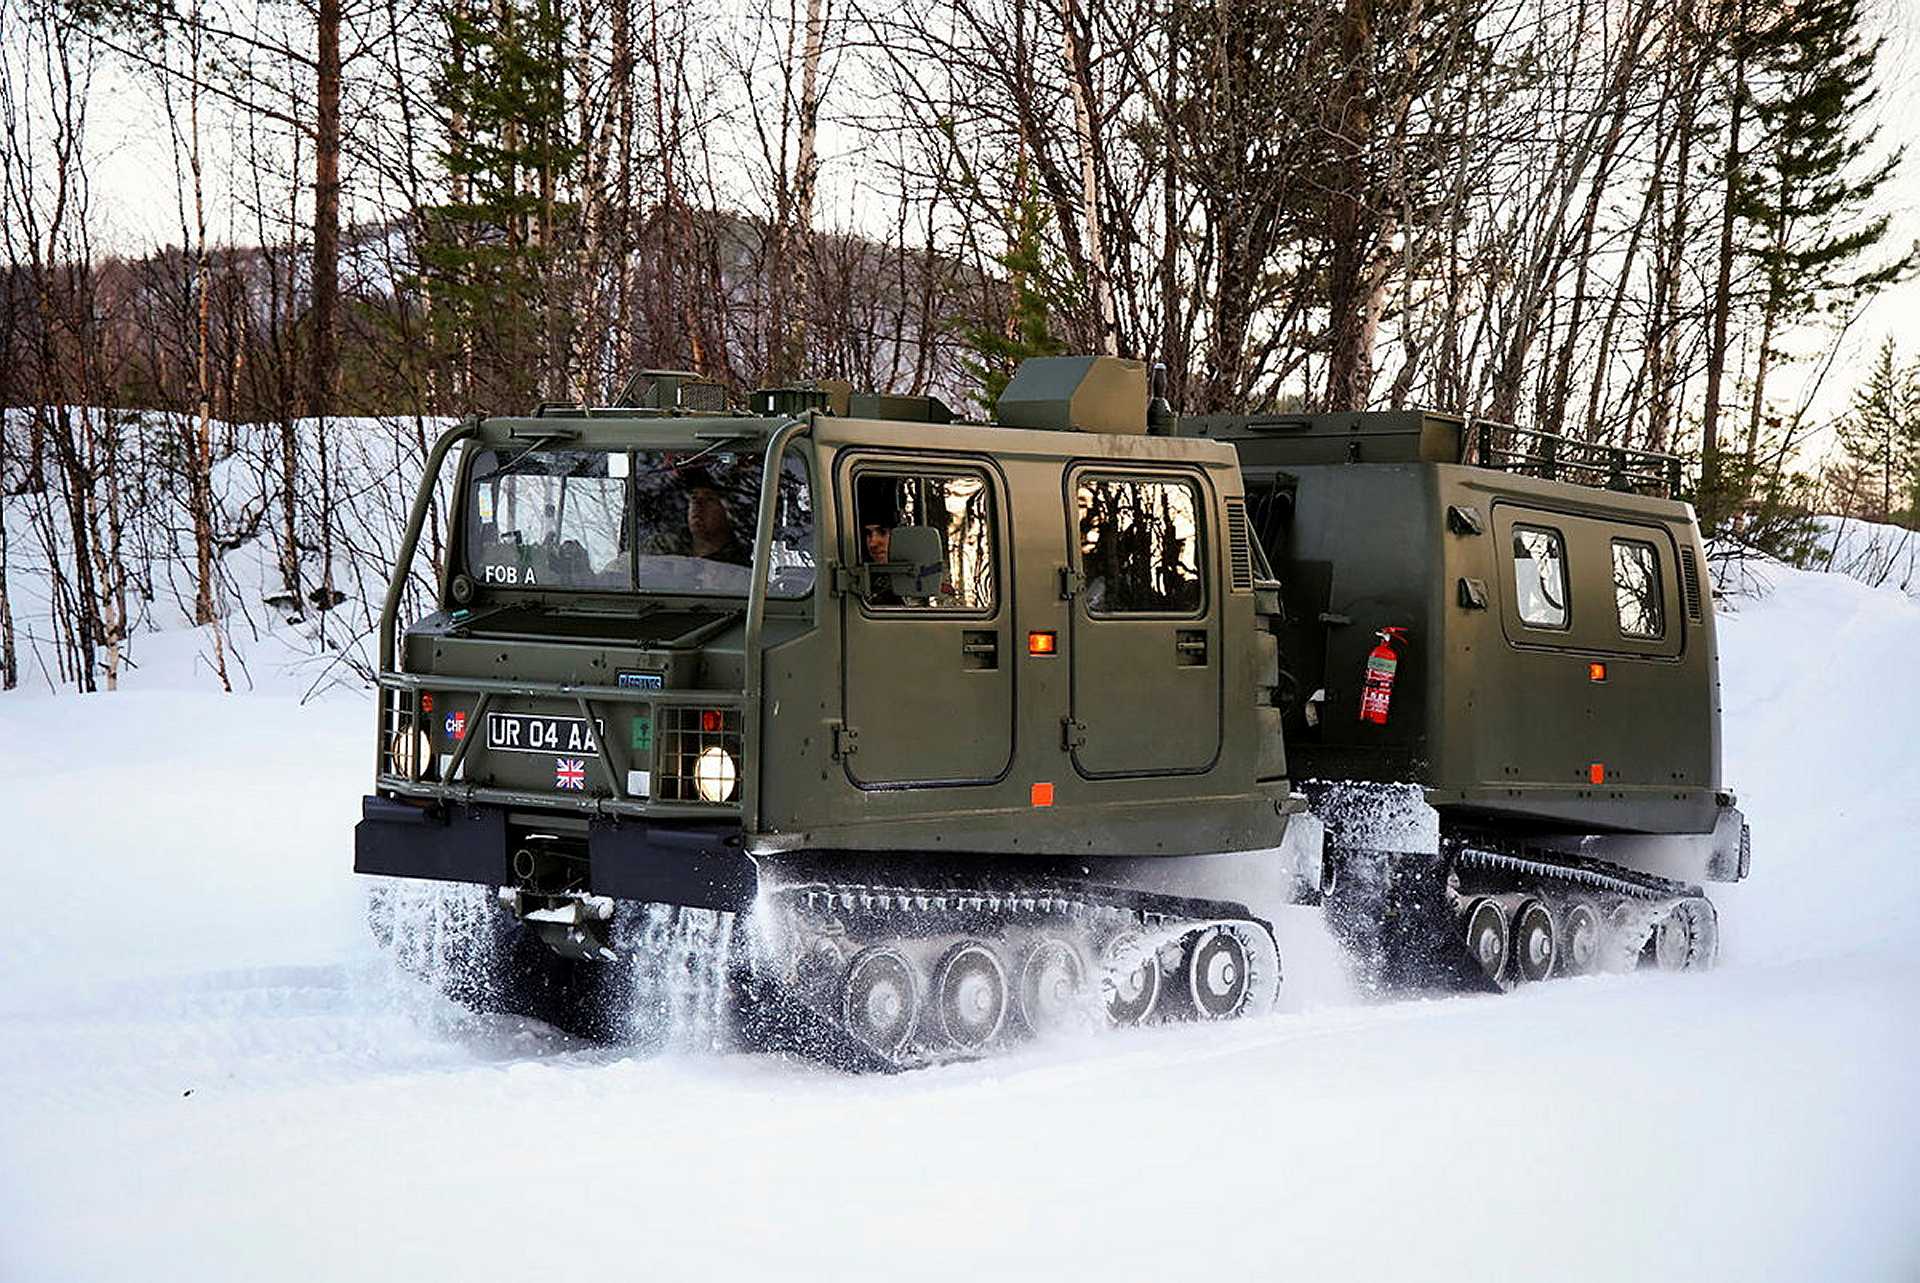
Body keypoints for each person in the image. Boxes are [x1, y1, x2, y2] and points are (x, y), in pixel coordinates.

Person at [857, 475, 905, 606]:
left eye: (882, 532)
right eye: (868, 534)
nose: (873, 543)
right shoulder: (860, 586)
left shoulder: (918, 581)